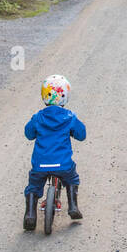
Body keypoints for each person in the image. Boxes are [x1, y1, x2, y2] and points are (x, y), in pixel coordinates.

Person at [22, 74, 86, 231]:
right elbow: (81, 135)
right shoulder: (69, 117)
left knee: (33, 186)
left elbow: (29, 134)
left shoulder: (38, 117)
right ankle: (72, 206)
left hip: (40, 164)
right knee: (72, 179)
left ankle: (30, 215)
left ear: (44, 96)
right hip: (63, 164)